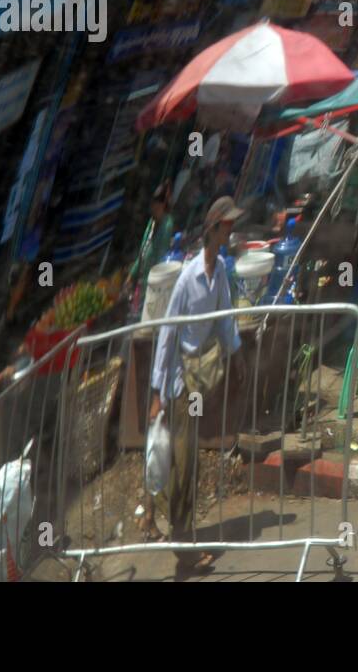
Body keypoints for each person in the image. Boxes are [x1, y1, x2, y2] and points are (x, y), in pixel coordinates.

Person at [147, 196, 248, 577]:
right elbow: (167, 334)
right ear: (213, 229)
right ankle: (183, 544)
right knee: (185, 457)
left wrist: (237, 356)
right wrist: (157, 391)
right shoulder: (188, 278)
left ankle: (162, 518)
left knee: (182, 454)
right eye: (227, 225)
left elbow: (225, 319)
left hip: (199, 381)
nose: (232, 230)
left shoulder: (219, 269)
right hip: (180, 381)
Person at [126, 180, 176, 313]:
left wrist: (150, 282)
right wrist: (132, 275)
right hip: (141, 282)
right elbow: (143, 252)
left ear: (162, 205)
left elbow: (160, 257)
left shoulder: (167, 225)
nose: (152, 208)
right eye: (152, 205)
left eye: (155, 205)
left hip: (153, 284)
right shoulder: (151, 223)